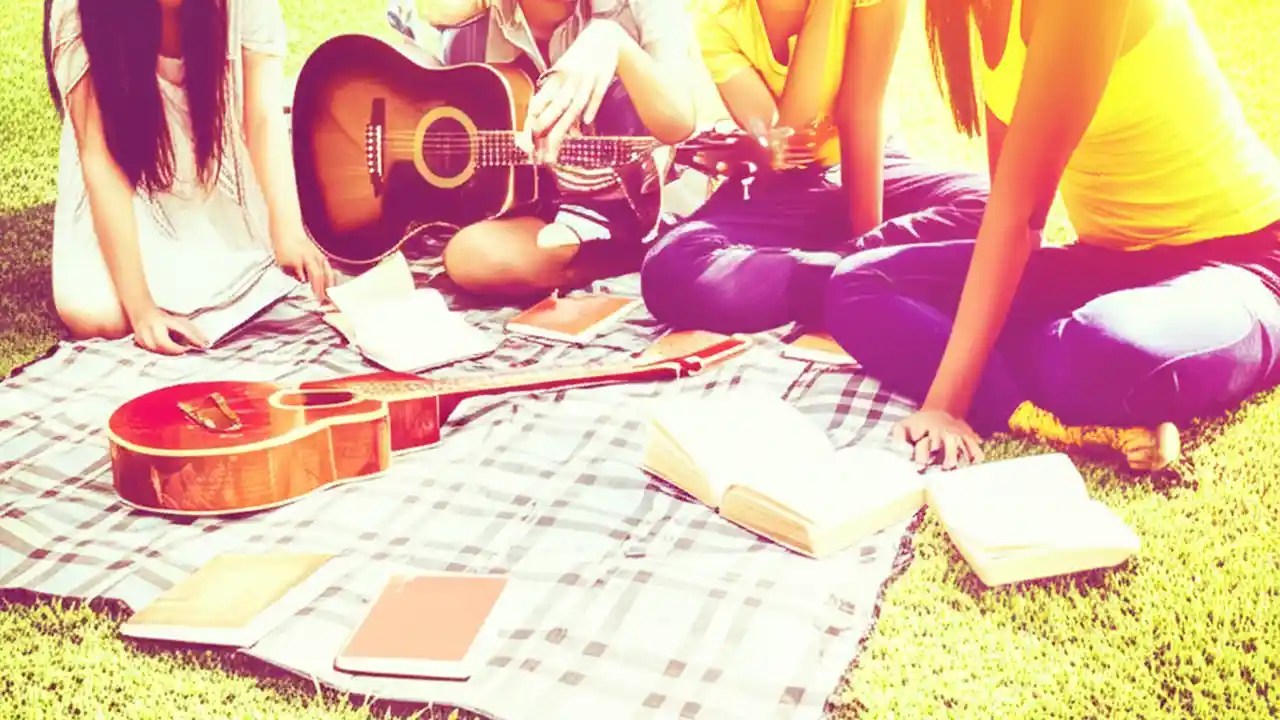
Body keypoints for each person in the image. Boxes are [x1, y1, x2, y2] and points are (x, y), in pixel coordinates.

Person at [824, 0, 1280, 472]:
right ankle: (1053, 411)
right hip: (1111, 263)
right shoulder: (978, 10)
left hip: (1245, 259)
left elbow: (1020, 219)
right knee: (859, 286)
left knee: (1098, 350)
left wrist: (945, 400)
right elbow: (1009, 206)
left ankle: (1076, 379)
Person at [637, 0, 991, 335]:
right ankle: (876, 281)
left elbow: (861, 113)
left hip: (868, 171)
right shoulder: (718, 12)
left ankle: (857, 276)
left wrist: (867, 248)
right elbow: (792, 133)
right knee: (670, 267)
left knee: (991, 209)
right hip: (785, 188)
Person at [42, 0, 334, 355]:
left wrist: (287, 231)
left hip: (213, 162)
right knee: (98, 316)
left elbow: (261, 117)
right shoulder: (79, 8)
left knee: (283, 272)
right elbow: (98, 155)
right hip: (126, 168)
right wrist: (141, 309)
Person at [410, 0, 700, 299]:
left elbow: (678, 122)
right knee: (472, 256)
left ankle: (622, 251)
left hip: (640, 198)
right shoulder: (474, 20)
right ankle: (592, 252)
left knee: (473, 255)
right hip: (535, 202)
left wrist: (614, 42)